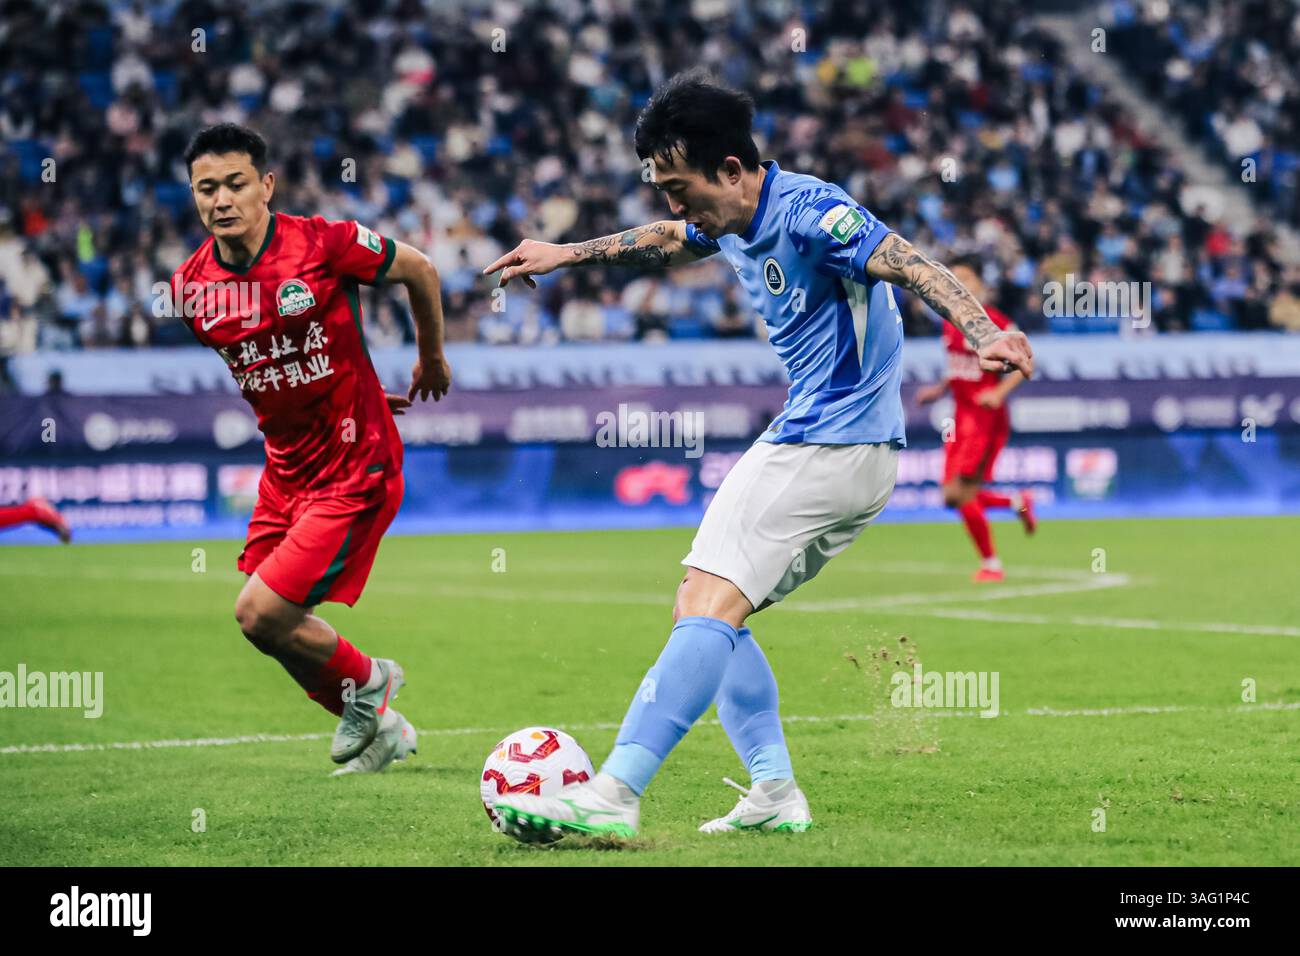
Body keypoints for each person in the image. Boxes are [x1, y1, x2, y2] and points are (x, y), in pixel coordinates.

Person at [482, 72, 1033, 840]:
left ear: (733, 171)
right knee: (710, 611)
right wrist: (567, 253)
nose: (675, 204)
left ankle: (614, 793)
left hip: (827, 441)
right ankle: (774, 790)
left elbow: (910, 262)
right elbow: (672, 240)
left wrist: (981, 332)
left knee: (706, 602)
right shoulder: (730, 216)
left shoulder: (813, 213)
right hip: (847, 452)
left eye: (680, 186)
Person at [172, 123, 451, 774]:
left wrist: (430, 359)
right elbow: (278, 362)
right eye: (205, 188)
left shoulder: (324, 243)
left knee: (261, 609)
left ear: (266, 186)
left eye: (235, 184)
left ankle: (373, 682)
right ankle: (378, 727)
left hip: (357, 463)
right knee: (261, 625)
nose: (221, 200)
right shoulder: (191, 289)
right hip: (285, 470)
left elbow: (420, 268)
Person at [915, 257, 1035, 582]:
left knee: (963, 493)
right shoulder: (948, 321)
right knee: (950, 495)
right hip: (958, 417)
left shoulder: (992, 322)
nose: (960, 284)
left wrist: (999, 393)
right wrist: (939, 389)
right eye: (955, 278)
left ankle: (992, 565)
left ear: (981, 284)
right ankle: (1016, 502)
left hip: (983, 417)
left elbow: (1027, 360)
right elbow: (959, 369)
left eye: (967, 278)